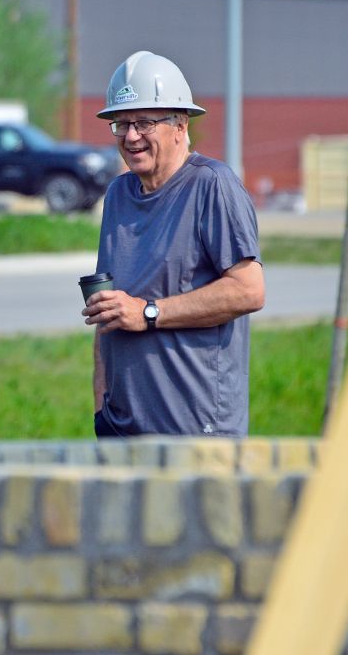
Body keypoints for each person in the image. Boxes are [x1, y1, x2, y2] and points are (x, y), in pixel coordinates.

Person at [82, 51, 265, 437]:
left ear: (180, 125)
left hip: (195, 434)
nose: (131, 136)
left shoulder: (212, 185)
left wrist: (148, 313)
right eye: (121, 124)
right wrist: (102, 407)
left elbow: (249, 291)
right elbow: (110, 312)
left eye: (145, 122)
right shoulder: (118, 194)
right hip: (123, 431)